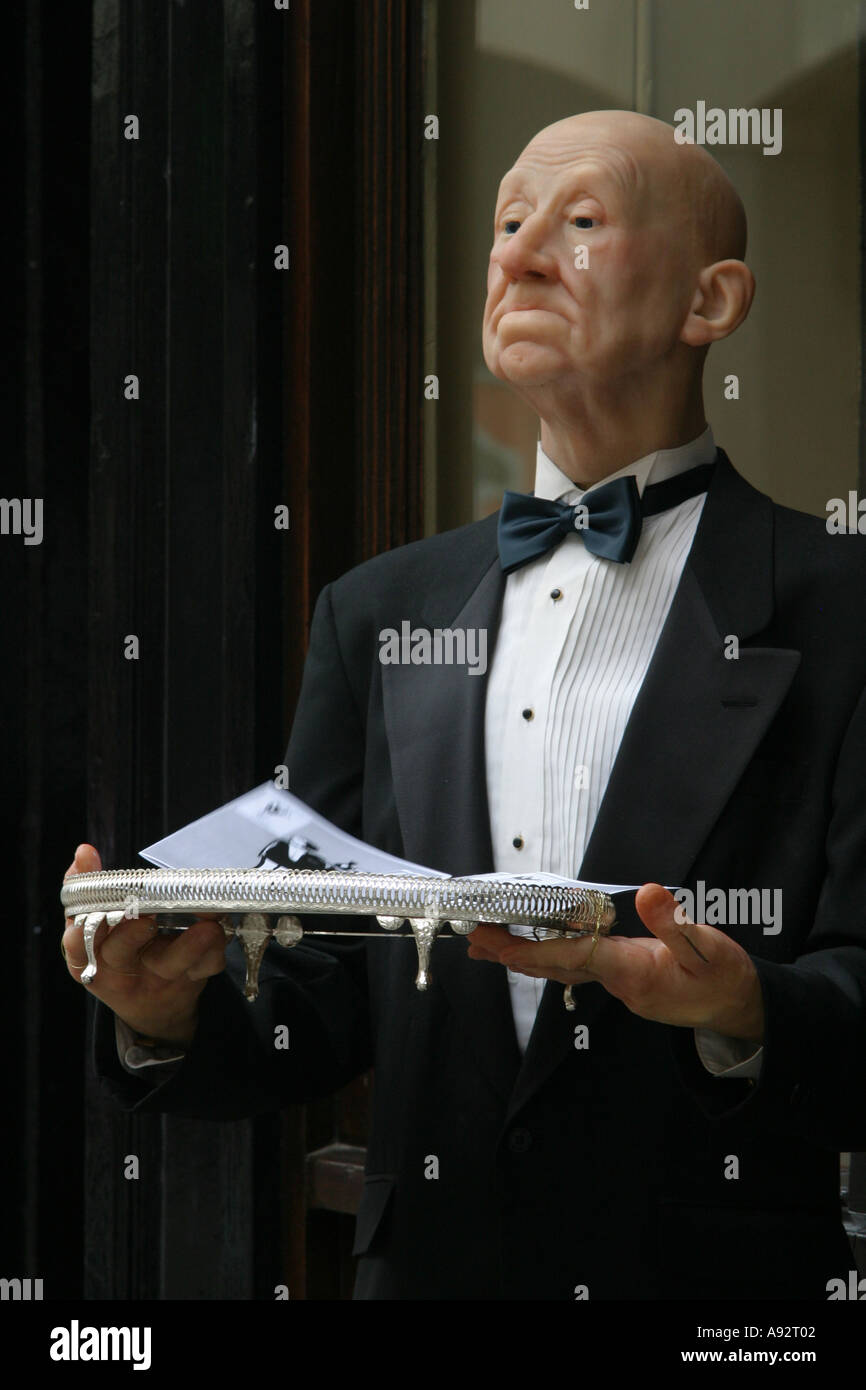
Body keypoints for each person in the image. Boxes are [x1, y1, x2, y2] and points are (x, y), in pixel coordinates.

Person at [63, 110, 866, 1300]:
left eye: (579, 220)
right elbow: (321, 1002)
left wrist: (741, 1005)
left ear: (712, 301)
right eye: (503, 222)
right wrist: (165, 1013)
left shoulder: (840, 601)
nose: (520, 251)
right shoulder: (373, 609)